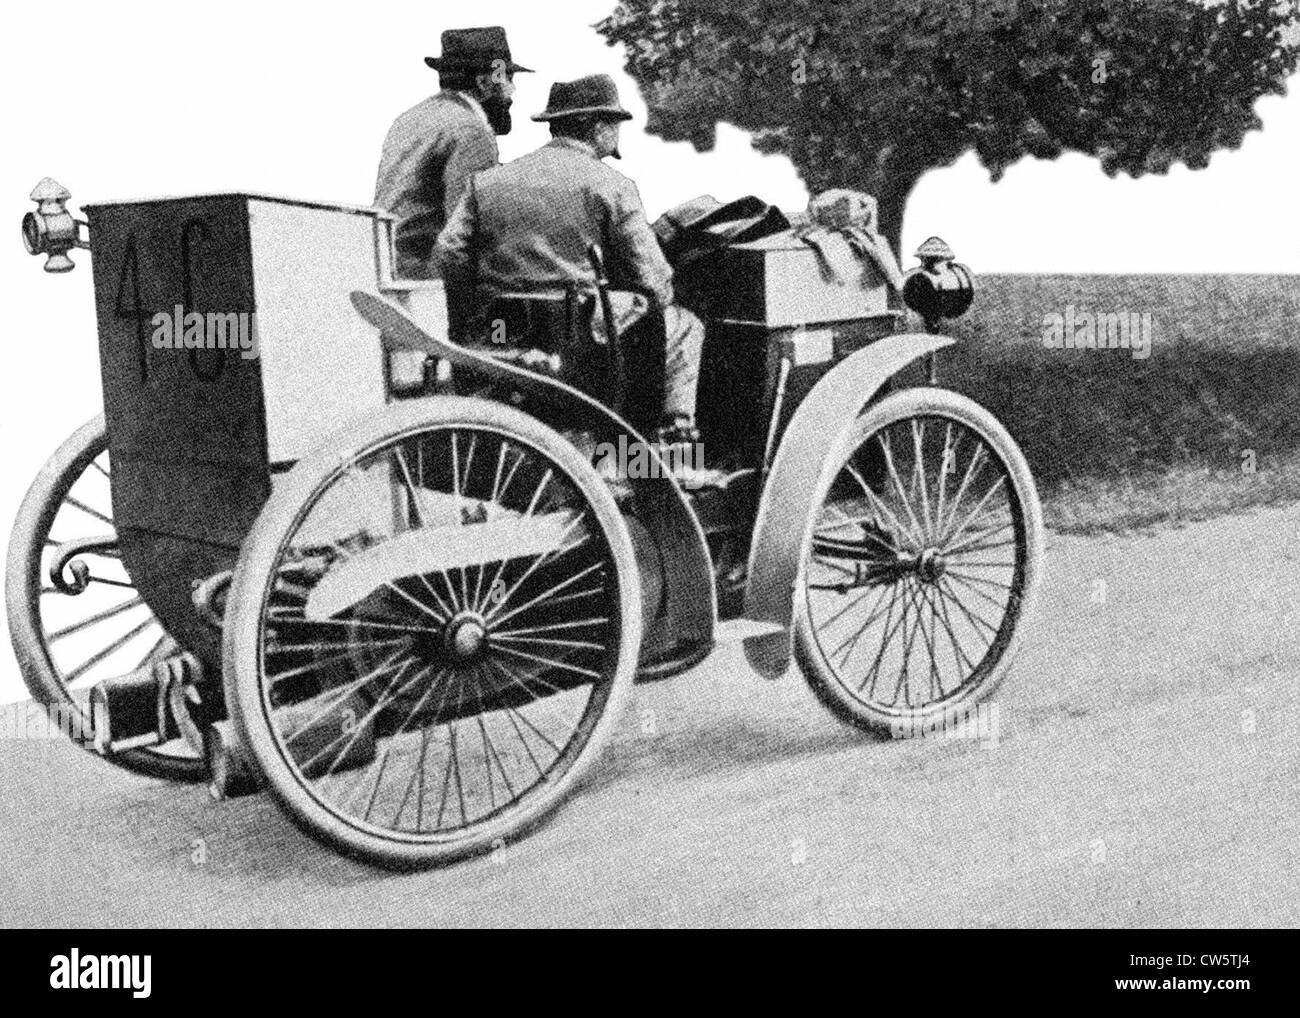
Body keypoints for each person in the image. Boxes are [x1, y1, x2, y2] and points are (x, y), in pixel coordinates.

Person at [435, 74, 712, 481]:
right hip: (575, 343)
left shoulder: (488, 181)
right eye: (615, 125)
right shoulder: (612, 186)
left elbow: (449, 252)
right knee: (686, 326)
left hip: (501, 332)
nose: (617, 135)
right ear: (598, 127)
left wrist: (488, 300)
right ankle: (673, 455)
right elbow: (654, 282)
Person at [374, 27, 531, 280]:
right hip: (430, 283)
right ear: (483, 82)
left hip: (391, 271)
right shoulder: (472, 131)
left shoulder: (410, 118)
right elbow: (468, 233)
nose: (513, 91)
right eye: (507, 79)